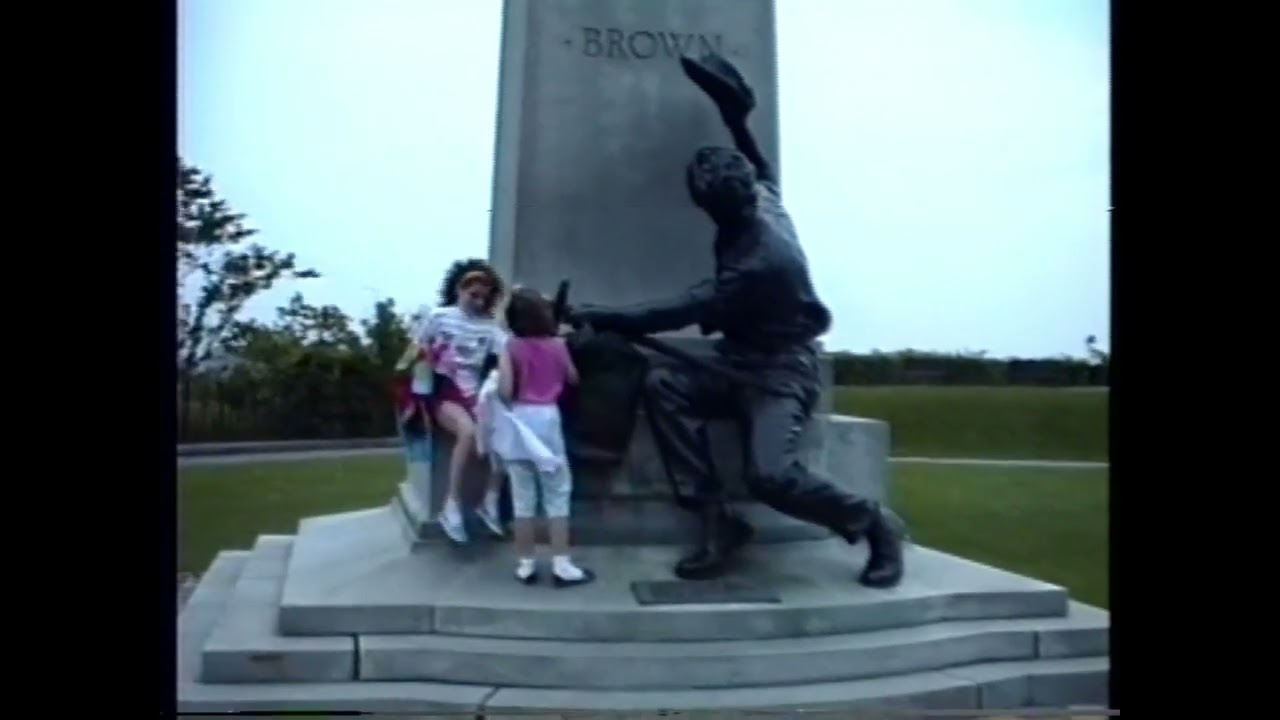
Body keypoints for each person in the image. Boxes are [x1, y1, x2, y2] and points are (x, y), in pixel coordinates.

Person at [568, 52, 904, 588]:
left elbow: (680, 310)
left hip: (778, 374)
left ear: (716, 208)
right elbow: (761, 165)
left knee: (770, 475)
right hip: (736, 360)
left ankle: (873, 523)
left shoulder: (757, 264)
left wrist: (603, 315)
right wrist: (736, 119)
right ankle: (715, 517)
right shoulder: (762, 198)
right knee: (664, 386)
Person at [488, 287, 593, 587]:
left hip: (520, 419)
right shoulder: (558, 345)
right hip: (548, 418)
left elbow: (505, 390)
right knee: (557, 493)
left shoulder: (511, 346)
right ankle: (562, 563)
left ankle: (525, 564)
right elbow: (573, 378)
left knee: (523, 498)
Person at [415, 258, 509, 544]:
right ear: (460, 290)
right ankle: (451, 504)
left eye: (484, 297)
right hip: (444, 391)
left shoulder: (490, 328)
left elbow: (509, 352)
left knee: (504, 434)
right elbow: (417, 352)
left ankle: (489, 501)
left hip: (473, 393)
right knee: (467, 432)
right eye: (473, 295)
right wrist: (419, 396)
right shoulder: (439, 316)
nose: (479, 302)